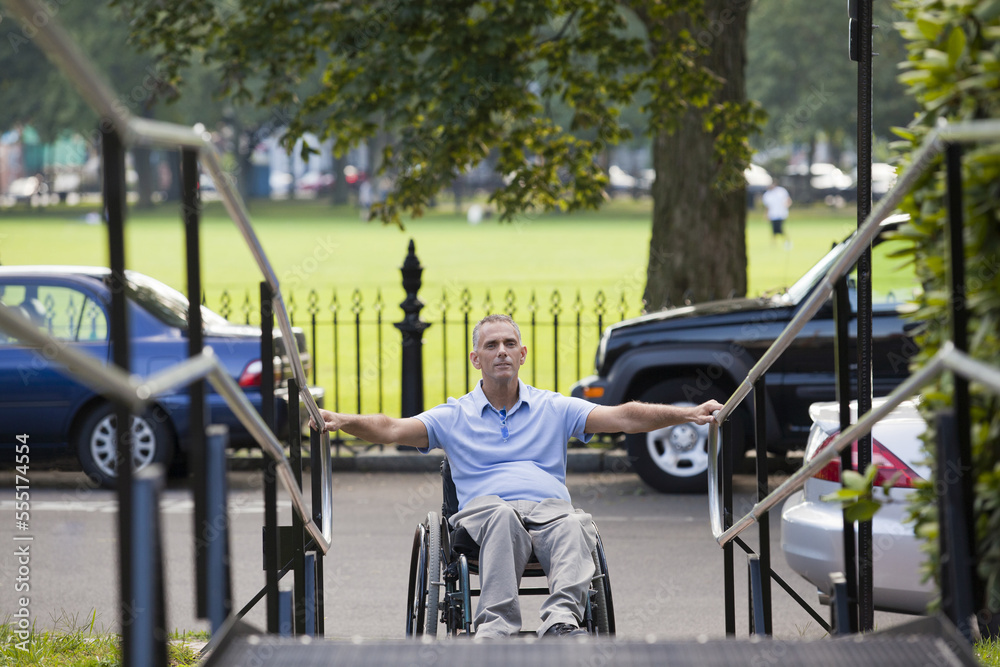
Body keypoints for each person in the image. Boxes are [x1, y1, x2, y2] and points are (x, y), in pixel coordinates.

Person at [311, 314, 721, 639]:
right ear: (477, 359)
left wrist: (685, 413)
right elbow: (390, 428)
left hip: (549, 510)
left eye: (510, 344)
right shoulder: (454, 415)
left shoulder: (555, 407)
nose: (501, 351)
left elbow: (625, 416)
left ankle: (561, 622)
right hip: (484, 516)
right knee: (501, 516)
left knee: (576, 523)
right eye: (491, 345)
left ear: (523, 353)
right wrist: (341, 420)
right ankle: (496, 627)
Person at [761, 181, 793, 248]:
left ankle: (787, 241)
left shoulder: (781, 191)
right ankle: (774, 244)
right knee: (773, 230)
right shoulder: (767, 194)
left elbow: (788, 200)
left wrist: (786, 205)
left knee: (780, 229)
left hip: (781, 214)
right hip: (772, 214)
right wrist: (766, 214)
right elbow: (767, 206)